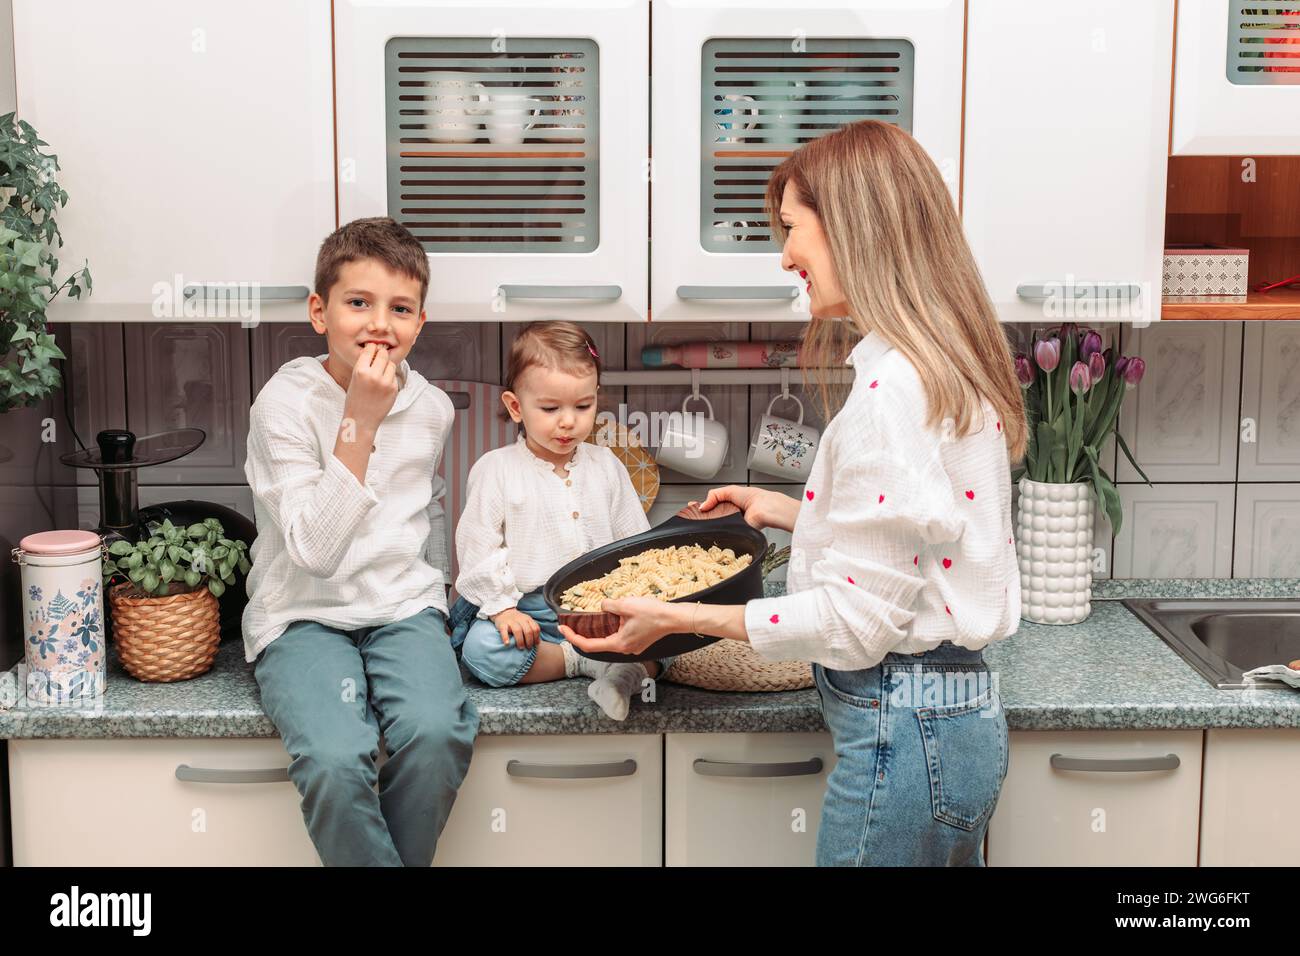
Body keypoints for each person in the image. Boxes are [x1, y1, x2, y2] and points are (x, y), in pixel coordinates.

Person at [560, 120, 1027, 866]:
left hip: (905, 733)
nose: (785, 256)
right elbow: (928, 534)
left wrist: (672, 616)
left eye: (791, 229)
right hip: (952, 720)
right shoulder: (941, 360)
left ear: (852, 227)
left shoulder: (888, 394)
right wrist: (781, 509)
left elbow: (853, 626)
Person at [243, 216, 479, 866]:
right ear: (319, 312)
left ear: (420, 322)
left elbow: (418, 515)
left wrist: (438, 600)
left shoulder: (432, 408)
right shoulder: (282, 407)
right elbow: (314, 551)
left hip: (402, 610)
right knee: (334, 756)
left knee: (437, 732)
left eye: (399, 308)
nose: (380, 323)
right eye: (358, 303)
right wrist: (359, 423)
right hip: (303, 615)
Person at [450, 320, 674, 720]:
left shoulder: (607, 465)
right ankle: (586, 664)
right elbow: (477, 547)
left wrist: (645, 599)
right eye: (550, 408)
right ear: (516, 406)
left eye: (582, 406)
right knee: (483, 651)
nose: (568, 421)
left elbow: (634, 543)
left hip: (604, 609)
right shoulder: (496, 469)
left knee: (673, 640)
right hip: (532, 614)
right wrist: (503, 610)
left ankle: (616, 678)